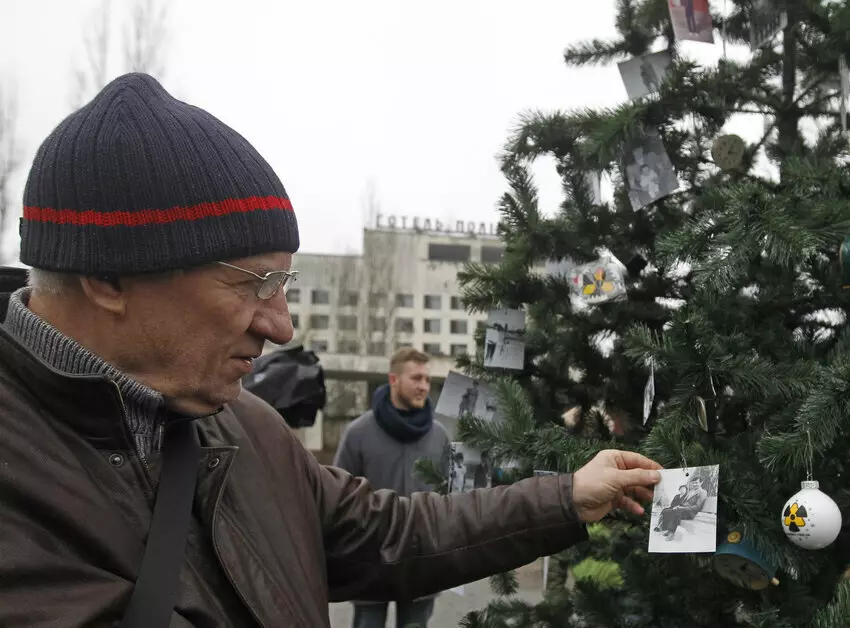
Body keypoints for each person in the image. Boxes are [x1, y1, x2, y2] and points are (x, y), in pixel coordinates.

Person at [0, 73, 663, 627]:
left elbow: (392, 532)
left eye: (285, 285)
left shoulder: (246, 427)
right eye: (256, 284)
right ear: (110, 278)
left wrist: (567, 498)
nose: (282, 327)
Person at [333, 348, 448, 628]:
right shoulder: (358, 432)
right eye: (416, 378)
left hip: (422, 559)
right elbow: (338, 493)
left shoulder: (440, 436)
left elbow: (449, 496)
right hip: (370, 558)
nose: (423, 386)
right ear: (393, 380)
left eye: (427, 379)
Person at [655, 475, 708, 541]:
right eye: (693, 482)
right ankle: (669, 530)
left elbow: (697, 507)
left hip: (691, 513)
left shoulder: (702, 492)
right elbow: (684, 503)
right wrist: (678, 506)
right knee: (667, 511)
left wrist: (681, 508)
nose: (694, 484)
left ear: (701, 482)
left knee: (676, 512)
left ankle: (671, 532)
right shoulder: (691, 492)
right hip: (683, 511)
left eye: (696, 482)